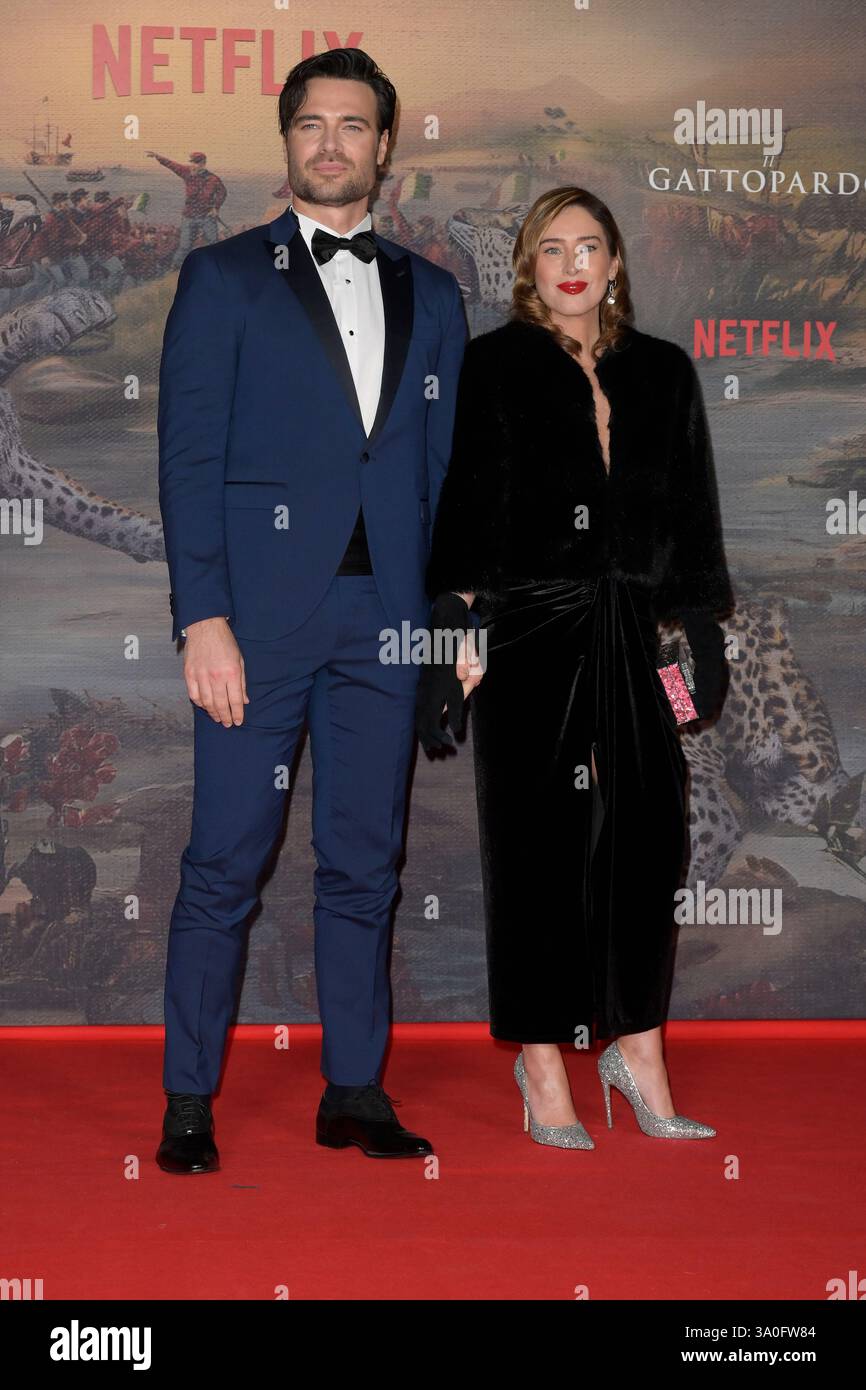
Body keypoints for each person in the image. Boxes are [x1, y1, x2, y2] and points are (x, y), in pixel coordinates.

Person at [156, 48, 468, 1173]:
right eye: (311, 125)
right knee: (224, 861)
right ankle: (188, 1097)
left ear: (385, 145)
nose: (331, 143)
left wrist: (450, 624)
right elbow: (189, 459)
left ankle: (354, 1088)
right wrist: (202, 618)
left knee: (363, 859)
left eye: (353, 126)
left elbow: (443, 480)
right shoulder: (225, 278)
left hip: (384, 620)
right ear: (286, 141)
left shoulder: (433, 295)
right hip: (259, 622)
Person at [417, 186, 735, 1149]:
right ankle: (543, 1058)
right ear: (527, 264)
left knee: (644, 849)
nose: (570, 264)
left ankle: (639, 1052)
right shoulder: (496, 366)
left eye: (588, 245)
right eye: (550, 247)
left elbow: (689, 518)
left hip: (633, 638)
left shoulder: (666, 373)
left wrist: (704, 633)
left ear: (613, 261)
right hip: (530, 640)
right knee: (536, 853)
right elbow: (467, 521)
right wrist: (446, 645)